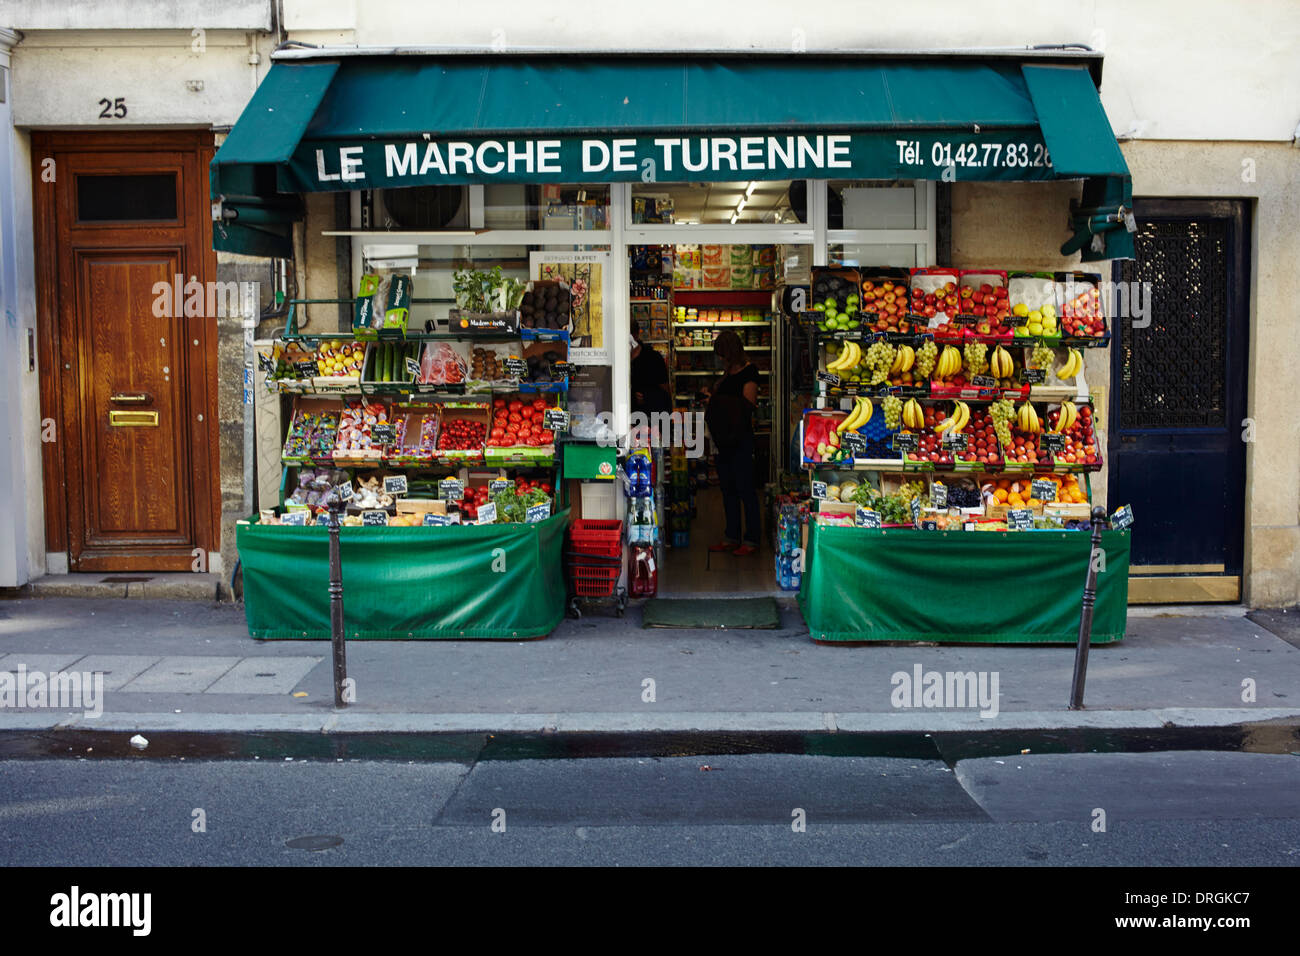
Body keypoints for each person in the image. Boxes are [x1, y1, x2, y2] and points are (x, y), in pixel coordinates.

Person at [703, 330, 761, 556]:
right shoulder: (727, 373)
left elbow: (748, 404)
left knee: (746, 489)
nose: (720, 359)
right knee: (728, 489)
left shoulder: (749, 372)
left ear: (731, 352)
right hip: (723, 439)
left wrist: (716, 401)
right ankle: (732, 536)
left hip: (740, 439)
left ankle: (752, 539)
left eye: (722, 354)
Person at [630, 321, 671, 417]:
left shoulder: (653, 358)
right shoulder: (617, 362)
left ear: (635, 335)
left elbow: (665, 392)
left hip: (651, 418)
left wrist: (647, 397)